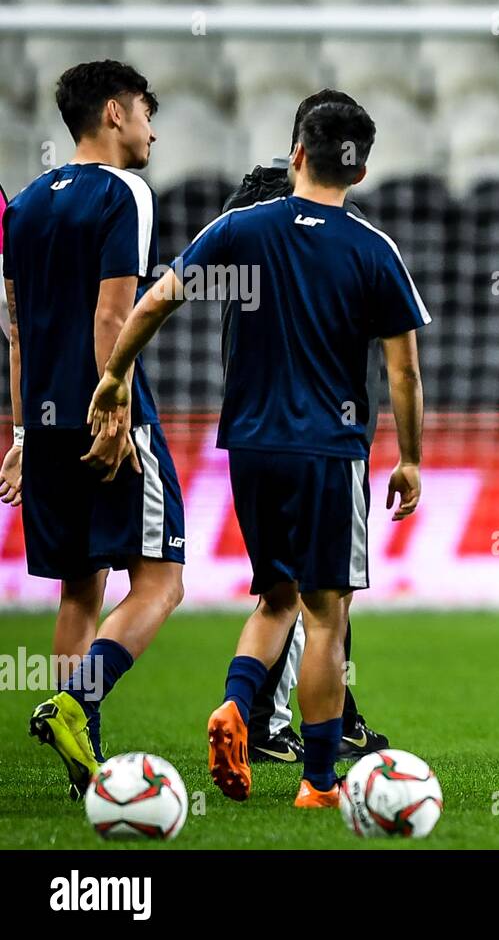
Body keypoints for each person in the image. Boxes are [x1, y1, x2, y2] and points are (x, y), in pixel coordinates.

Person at [89, 100, 430, 807]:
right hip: (329, 452)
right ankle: (318, 780)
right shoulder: (373, 249)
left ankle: (238, 710)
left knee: (273, 598)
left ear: (296, 153)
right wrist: (411, 458)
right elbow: (404, 372)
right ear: (361, 169)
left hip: (249, 446)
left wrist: (114, 377)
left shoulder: (239, 228)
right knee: (325, 615)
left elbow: (153, 303)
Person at [1, 60, 186, 798]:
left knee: (80, 590)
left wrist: (19, 435)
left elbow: (15, 333)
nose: (152, 129)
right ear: (114, 113)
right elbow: (117, 314)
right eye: (146, 111)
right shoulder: (125, 192)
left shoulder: (28, 204)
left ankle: (86, 770)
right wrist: (115, 411)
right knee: (161, 581)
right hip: (105, 413)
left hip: (43, 422)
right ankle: (77, 703)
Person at [219, 89, 389, 766]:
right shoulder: (332, 225)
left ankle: (333, 714)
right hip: (324, 427)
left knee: (302, 591)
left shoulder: (242, 215)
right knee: (319, 594)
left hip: (257, 420)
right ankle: (270, 724)